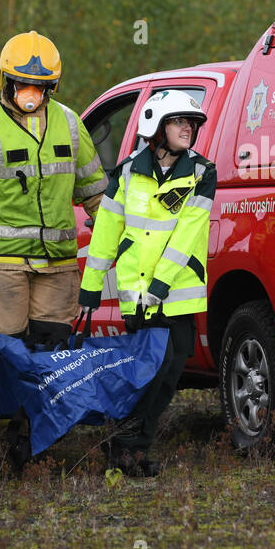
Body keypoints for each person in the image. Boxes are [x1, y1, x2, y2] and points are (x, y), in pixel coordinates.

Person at [0, 31, 106, 462]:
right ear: (4, 82)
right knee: (5, 349)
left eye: (39, 86)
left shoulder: (70, 124)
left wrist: (118, 246)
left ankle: (34, 433)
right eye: (23, 84)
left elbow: (96, 193)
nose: (31, 93)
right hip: (0, 264)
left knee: (50, 350)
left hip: (58, 265)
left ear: (51, 87)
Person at [78, 90, 215, 477]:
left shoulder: (202, 173)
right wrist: (90, 289)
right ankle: (127, 450)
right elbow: (106, 232)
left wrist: (160, 286)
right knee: (144, 377)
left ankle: (129, 445)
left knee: (168, 375)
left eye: (191, 122)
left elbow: (186, 237)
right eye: (178, 122)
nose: (188, 127)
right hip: (137, 300)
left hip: (175, 298)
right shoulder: (125, 172)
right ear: (156, 128)